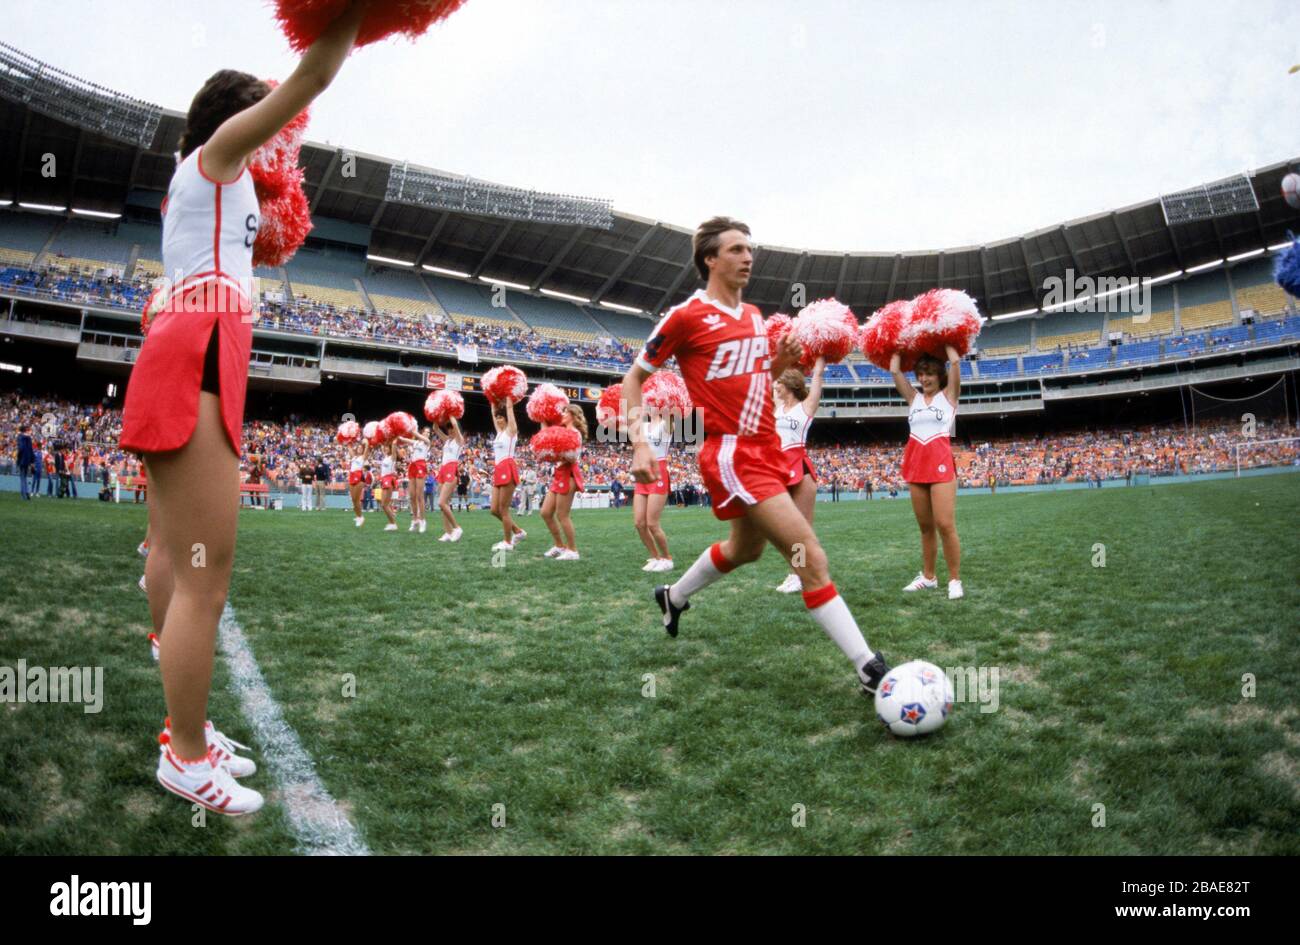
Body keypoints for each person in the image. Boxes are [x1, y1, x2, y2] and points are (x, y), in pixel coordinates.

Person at [116, 3, 366, 816]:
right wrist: (359, 12)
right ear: (231, 115)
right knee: (203, 576)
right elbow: (315, 76)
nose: (274, 134)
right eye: (259, 115)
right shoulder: (218, 156)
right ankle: (185, 756)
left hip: (184, 349)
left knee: (167, 552)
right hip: (195, 355)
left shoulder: (205, 182)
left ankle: (187, 725)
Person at [621, 216, 890, 699]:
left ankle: (673, 595)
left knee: (746, 549)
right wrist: (640, 441)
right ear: (710, 258)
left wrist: (781, 364)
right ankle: (870, 668)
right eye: (737, 249)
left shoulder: (754, 318)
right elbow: (634, 380)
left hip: (767, 448)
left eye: (750, 249)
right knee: (811, 557)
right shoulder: (685, 316)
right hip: (733, 453)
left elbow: (754, 383)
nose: (748, 257)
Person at [890, 346, 964, 600]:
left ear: (939, 375)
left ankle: (954, 579)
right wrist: (896, 343)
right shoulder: (914, 398)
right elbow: (894, 369)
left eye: (930, 374)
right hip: (916, 463)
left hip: (941, 463)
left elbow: (955, 364)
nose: (924, 379)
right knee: (925, 527)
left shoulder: (949, 396)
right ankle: (929, 577)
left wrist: (947, 338)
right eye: (921, 374)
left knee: (945, 524)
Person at [772, 357, 825, 593]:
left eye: (779, 384)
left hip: (800, 469)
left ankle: (799, 574)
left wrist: (821, 359)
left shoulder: (806, 407)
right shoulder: (776, 407)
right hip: (779, 468)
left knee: (802, 529)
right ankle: (798, 572)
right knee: (784, 530)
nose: (775, 387)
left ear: (790, 385)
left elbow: (817, 380)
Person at [540, 404, 586, 561]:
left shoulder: (575, 434)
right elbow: (546, 437)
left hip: (569, 473)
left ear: (573, 415)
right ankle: (560, 546)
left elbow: (572, 457)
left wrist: (556, 455)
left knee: (562, 515)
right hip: (559, 473)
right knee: (545, 512)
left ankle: (573, 550)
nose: (563, 414)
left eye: (566, 412)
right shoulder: (562, 431)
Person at [631, 411, 673, 572]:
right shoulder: (643, 425)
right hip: (643, 472)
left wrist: (669, 403)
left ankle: (667, 558)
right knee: (639, 523)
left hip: (658, 471)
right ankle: (656, 557)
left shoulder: (666, 424)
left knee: (652, 523)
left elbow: (671, 420)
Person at [489, 397, 526, 551]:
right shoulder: (499, 433)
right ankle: (518, 531)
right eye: (497, 417)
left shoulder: (511, 432)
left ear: (506, 419)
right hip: (498, 470)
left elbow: (510, 412)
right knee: (494, 510)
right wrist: (492, 402)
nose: (498, 420)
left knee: (503, 509)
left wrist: (509, 404)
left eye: (500, 417)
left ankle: (507, 542)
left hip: (508, 468)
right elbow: (493, 414)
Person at [431, 417, 465, 540]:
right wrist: (436, 415)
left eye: (452, 429)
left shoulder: (459, 440)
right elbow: (435, 428)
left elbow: (455, 424)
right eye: (449, 429)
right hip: (443, 470)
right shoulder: (447, 441)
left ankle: (457, 528)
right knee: (443, 504)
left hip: (451, 468)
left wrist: (450, 413)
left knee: (441, 502)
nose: (450, 431)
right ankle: (448, 532)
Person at [346, 440, 370, 526]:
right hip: (352, 476)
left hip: (359, 477)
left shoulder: (363, 457)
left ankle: (360, 517)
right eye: (358, 447)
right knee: (353, 499)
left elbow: (367, 448)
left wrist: (366, 443)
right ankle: (358, 516)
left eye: (361, 448)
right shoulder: (354, 457)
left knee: (356, 499)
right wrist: (347, 440)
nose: (359, 448)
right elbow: (349, 447)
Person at [377, 439, 400, 531]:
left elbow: (394, 445)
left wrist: (394, 438)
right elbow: (382, 445)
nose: (386, 448)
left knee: (384, 504)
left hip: (388, 479)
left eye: (387, 447)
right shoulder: (386, 457)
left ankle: (393, 523)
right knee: (384, 504)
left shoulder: (392, 457)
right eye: (385, 447)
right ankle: (392, 522)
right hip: (384, 480)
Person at [16, 425, 35, 500]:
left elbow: (21, 448)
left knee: (22, 477)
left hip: (22, 459)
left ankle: (23, 494)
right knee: (25, 477)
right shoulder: (29, 438)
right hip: (28, 459)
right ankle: (26, 492)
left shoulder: (20, 437)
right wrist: (32, 461)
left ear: (20, 430)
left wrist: (18, 457)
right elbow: (31, 449)